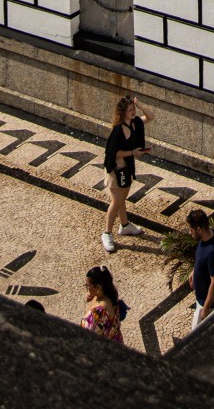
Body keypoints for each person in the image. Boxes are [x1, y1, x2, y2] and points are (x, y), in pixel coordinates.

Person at [102, 93, 153, 252]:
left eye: (133, 109)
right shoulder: (118, 130)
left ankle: (124, 225)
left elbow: (150, 116)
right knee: (117, 201)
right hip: (116, 168)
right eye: (130, 110)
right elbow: (112, 152)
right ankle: (107, 233)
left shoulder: (135, 123)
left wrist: (140, 105)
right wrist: (132, 152)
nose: (133, 112)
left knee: (122, 197)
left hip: (127, 166)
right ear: (122, 112)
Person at [188, 208, 214, 329]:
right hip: (203, 301)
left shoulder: (212, 252)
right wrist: (194, 271)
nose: (190, 233)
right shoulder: (211, 235)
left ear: (199, 229)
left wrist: (205, 309)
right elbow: (202, 258)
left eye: (191, 230)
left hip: (209, 305)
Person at [82, 264, 124, 343]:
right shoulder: (111, 295)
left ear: (97, 287)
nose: (87, 288)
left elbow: (90, 337)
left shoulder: (99, 311)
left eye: (88, 286)